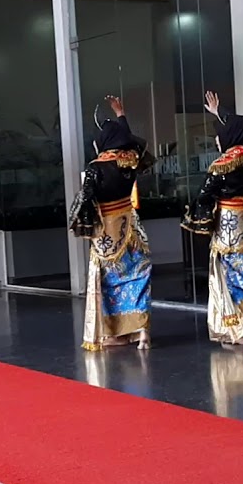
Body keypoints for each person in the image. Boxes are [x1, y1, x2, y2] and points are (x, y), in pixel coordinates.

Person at [183, 91, 243, 350]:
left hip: (230, 228)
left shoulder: (222, 164)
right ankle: (239, 331)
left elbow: (204, 195)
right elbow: (239, 125)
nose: (218, 138)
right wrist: (220, 112)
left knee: (234, 276)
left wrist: (198, 217)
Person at [68, 95, 156, 351]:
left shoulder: (96, 168)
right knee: (136, 276)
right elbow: (130, 142)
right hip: (131, 226)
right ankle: (141, 331)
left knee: (108, 283)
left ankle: (114, 334)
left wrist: (78, 220)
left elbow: (85, 198)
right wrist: (121, 116)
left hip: (106, 231)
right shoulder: (130, 162)